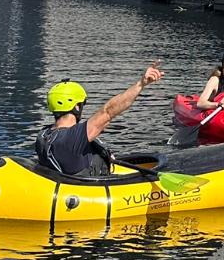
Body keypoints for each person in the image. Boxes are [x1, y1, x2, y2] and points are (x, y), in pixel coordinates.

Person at [36, 63, 164, 177]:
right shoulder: (73, 138)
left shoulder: (43, 135)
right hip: (88, 192)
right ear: (76, 106)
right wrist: (141, 84)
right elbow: (108, 111)